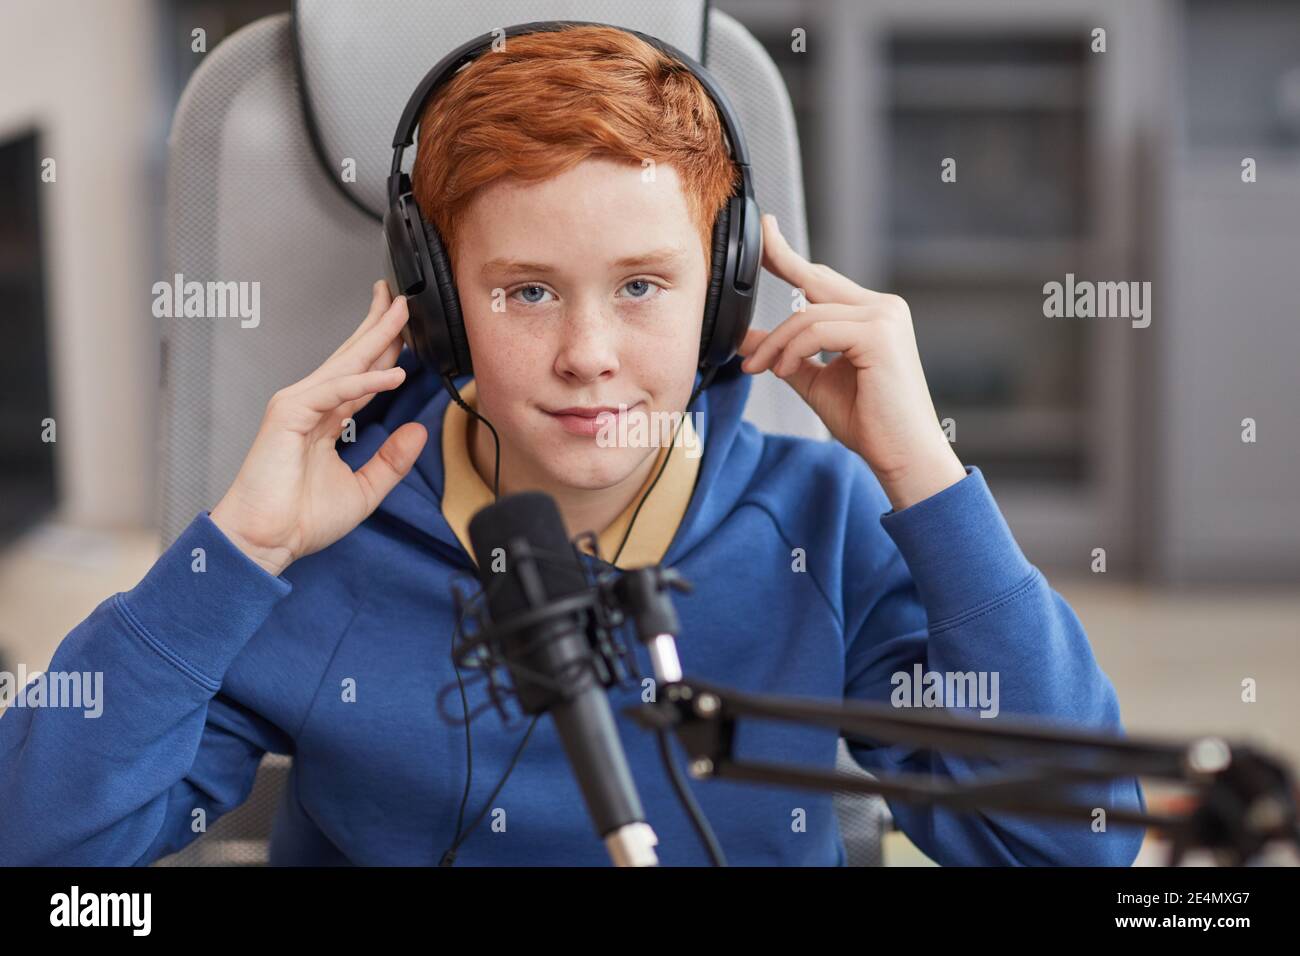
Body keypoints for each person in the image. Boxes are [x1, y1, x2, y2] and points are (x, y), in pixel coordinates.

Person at [0, 26, 1144, 866]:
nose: (588, 352)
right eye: (527, 290)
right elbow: (38, 844)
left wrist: (925, 479)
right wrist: (237, 548)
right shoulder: (316, 541)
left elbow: (1070, 850)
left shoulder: (821, 526)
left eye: (644, 284)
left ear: (724, 294)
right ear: (438, 306)